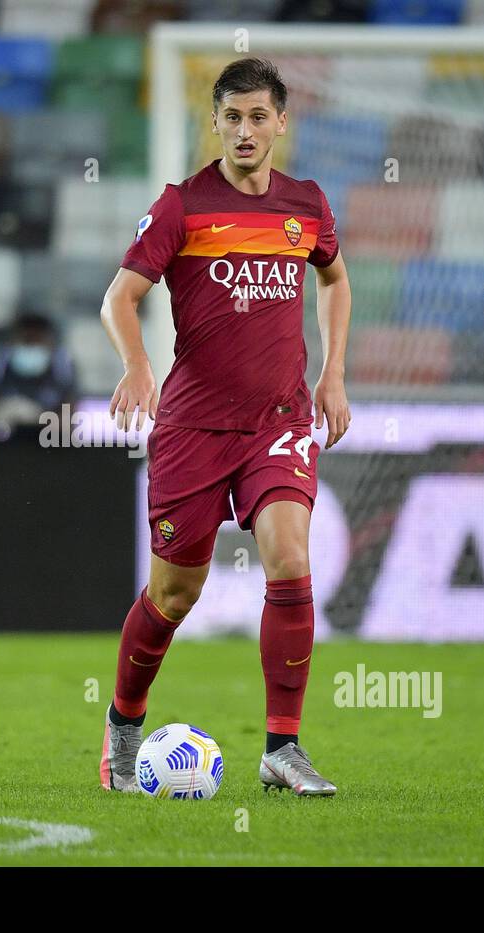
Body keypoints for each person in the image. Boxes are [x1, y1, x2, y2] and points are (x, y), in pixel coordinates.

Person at [98, 59, 352, 796]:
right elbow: (119, 298)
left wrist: (332, 374)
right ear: (216, 122)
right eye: (232, 117)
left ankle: (282, 747)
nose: (245, 130)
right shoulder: (182, 206)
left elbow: (334, 278)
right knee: (176, 596)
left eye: (258, 117)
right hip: (193, 428)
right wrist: (138, 366)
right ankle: (122, 722)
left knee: (289, 557)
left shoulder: (306, 205)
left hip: (277, 421)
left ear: (280, 123)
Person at [0, 312, 77, 442]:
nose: (32, 346)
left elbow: (69, 403)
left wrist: (57, 431)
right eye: (27, 340)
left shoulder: (61, 365)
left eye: (37, 340)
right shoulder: (2, 361)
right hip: (7, 436)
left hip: (48, 438)